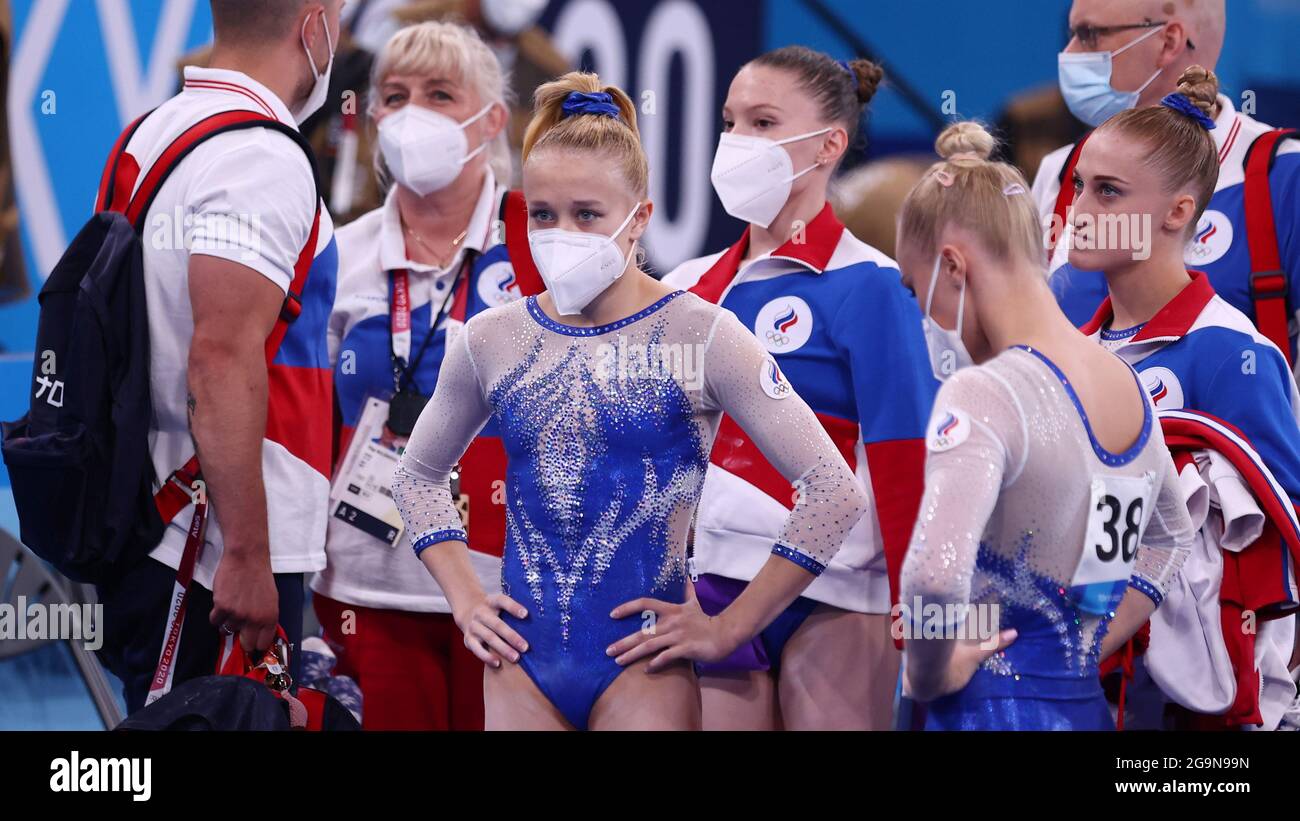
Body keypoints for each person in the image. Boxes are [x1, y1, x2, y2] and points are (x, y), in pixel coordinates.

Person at [391, 71, 869, 730]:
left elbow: (833, 491)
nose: (562, 232)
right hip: (520, 666)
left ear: (639, 216)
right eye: (543, 214)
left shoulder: (702, 334)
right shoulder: (490, 338)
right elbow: (416, 477)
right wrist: (466, 597)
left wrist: (729, 627)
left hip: (643, 669)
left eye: (588, 214)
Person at [663, 46, 936, 730]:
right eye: (729, 122)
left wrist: (919, 610)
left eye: (761, 122)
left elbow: (906, 458)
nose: (735, 142)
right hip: (715, 579)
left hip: (840, 590)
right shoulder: (688, 287)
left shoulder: (869, 283)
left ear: (828, 145)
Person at [896, 121, 1194, 730]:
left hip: (982, 711)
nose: (918, 315)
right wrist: (1073, 646)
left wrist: (930, 673)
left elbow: (932, 574)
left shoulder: (983, 391)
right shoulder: (1128, 387)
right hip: (1079, 707)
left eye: (912, 288)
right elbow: (1167, 541)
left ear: (952, 266)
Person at [95, 0, 341, 712]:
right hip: (208, 552)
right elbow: (219, 359)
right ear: (314, 25)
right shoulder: (260, 156)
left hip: (151, 527)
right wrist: (246, 557)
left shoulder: (147, 134)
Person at [310, 20, 534, 731]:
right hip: (367, 581)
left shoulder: (543, 244)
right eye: (395, 96)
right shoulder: (339, 256)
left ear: (491, 118)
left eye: (440, 95)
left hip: (514, 588)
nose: (413, 115)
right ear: (373, 114)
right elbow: (306, 426)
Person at [1067, 68, 1300, 727]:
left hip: (1202, 706)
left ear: (1178, 211)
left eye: (1108, 193)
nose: (1081, 212)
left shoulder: (1230, 351)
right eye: (1080, 187)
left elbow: (1284, 536)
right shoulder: (1072, 355)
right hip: (1089, 686)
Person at [1036, 0, 1300, 374]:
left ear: (1169, 41)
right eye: (1084, 186)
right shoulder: (1059, 171)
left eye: (1089, 34)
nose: (1069, 54)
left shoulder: (1286, 173)